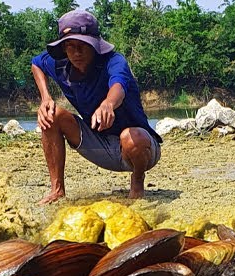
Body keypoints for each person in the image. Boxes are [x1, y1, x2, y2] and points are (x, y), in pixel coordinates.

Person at [30, 9, 162, 204]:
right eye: (70, 46)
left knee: (132, 137)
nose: (76, 53)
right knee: (51, 114)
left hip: (138, 149)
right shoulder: (60, 64)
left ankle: (137, 182)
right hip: (98, 143)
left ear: (95, 45)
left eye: (83, 46)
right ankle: (57, 190)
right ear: (64, 48)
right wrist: (45, 98)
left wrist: (108, 104)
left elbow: (119, 86)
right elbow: (36, 64)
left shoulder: (114, 61)